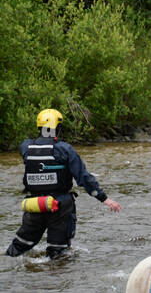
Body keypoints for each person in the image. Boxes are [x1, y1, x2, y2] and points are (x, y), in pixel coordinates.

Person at [7, 109, 122, 259]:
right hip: (60, 206)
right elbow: (83, 177)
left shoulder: (26, 147)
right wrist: (104, 199)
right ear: (58, 128)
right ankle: (55, 279)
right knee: (58, 253)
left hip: (34, 205)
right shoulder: (65, 149)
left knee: (19, 247)